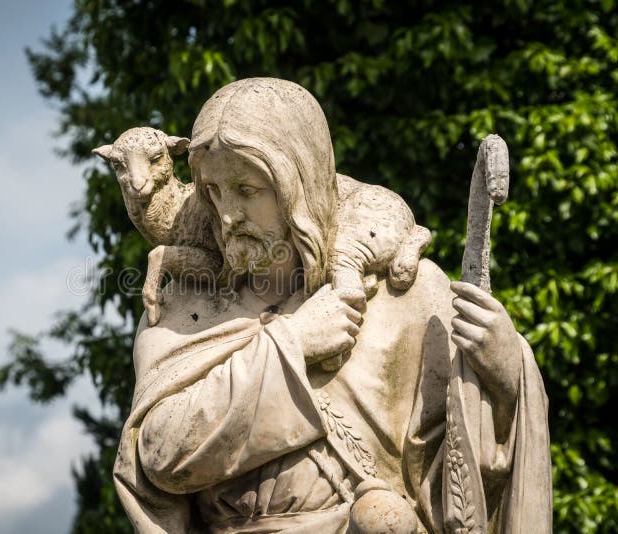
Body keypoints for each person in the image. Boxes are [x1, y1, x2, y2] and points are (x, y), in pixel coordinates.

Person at [113, 78, 551, 533]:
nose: (227, 216)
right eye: (214, 191)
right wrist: (294, 341)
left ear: (298, 184)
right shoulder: (182, 311)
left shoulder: (407, 297)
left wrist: (503, 382)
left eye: (246, 190)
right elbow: (161, 455)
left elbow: (459, 489)